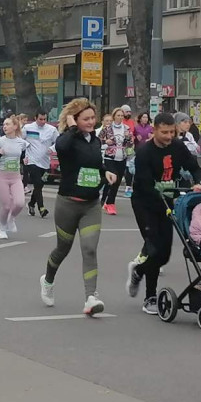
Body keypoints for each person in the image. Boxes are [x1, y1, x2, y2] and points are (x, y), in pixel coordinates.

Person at [39, 99, 113, 316]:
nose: (91, 122)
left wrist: (105, 172)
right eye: (86, 119)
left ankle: (91, 297)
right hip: (68, 204)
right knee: (63, 248)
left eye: (93, 118)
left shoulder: (95, 141)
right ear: (75, 119)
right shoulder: (67, 139)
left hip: (90, 205)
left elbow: (96, 164)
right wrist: (71, 128)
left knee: (89, 249)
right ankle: (48, 279)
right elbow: (61, 148)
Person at [125, 113, 201, 314]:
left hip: (167, 203)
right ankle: (150, 297)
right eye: (165, 132)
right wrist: (164, 194)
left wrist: (198, 182)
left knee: (165, 254)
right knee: (153, 247)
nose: (169, 136)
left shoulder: (178, 147)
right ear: (154, 130)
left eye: (172, 132)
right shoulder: (145, 152)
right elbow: (144, 184)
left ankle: (139, 271)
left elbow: (194, 167)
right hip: (145, 202)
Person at [0, 115, 28, 239]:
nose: (5, 126)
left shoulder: (22, 142)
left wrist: (26, 159)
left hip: (16, 176)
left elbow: (24, 155)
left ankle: (11, 219)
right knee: (7, 205)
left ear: (15, 126)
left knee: (19, 203)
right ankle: (2, 229)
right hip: (2, 175)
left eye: (7, 124)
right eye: (4, 124)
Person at [22, 110, 58, 218]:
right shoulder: (28, 128)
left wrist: (52, 148)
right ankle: (41, 208)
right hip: (31, 160)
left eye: (44, 119)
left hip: (45, 162)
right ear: (35, 118)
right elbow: (20, 140)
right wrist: (26, 146)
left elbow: (59, 141)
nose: (42, 121)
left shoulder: (51, 130)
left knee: (40, 185)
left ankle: (31, 203)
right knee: (37, 182)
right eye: (40, 119)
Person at [100, 106, 134, 216]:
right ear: (114, 116)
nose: (120, 117)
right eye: (118, 115)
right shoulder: (107, 128)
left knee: (118, 181)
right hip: (110, 157)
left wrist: (128, 138)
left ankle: (107, 202)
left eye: (121, 116)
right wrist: (106, 141)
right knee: (114, 179)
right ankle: (110, 204)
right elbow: (98, 141)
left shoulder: (126, 128)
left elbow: (130, 144)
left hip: (122, 157)